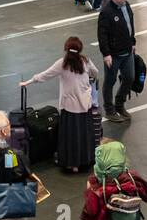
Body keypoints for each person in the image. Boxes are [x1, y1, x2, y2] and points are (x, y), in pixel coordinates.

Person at [22, 37, 100, 175]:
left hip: (69, 108)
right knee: (83, 135)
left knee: (71, 137)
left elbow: (44, 75)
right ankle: (86, 159)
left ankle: (72, 164)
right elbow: (95, 72)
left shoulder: (62, 64)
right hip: (84, 106)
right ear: (80, 49)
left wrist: (27, 82)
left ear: (66, 49)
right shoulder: (85, 61)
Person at [97, 0, 136, 123]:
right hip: (113, 55)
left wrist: (133, 42)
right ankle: (109, 110)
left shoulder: (126, 6)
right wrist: (106, 54)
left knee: (130, 77)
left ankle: (120, 104)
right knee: (110, 81)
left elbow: (130, 24)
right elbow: (102, 35)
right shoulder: (106, 12)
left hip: (127, 51)